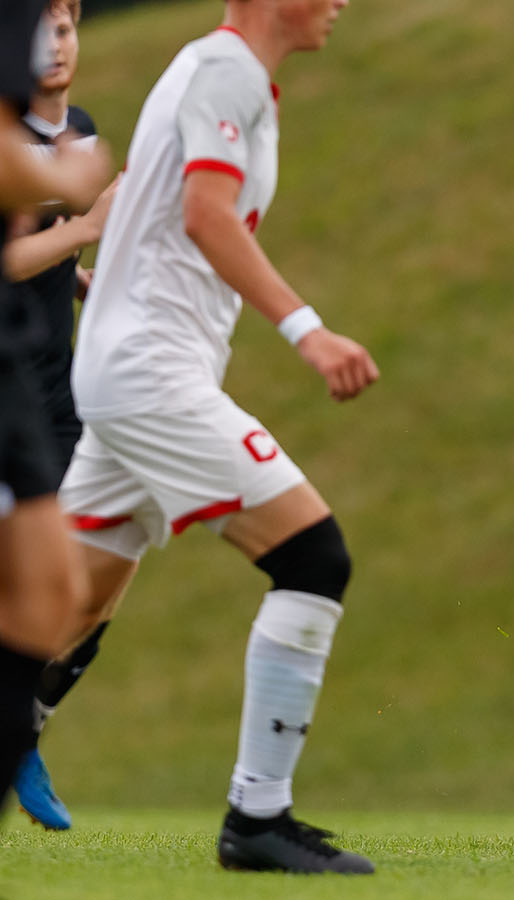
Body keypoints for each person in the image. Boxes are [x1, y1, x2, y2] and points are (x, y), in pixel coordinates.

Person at [55, 0, 379, 874]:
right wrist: (308, 330)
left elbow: (149, 216)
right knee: (314, 558)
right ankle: (256, 819)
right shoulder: (226, 69)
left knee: (66, 612)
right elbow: (206, 213)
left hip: (133, 373)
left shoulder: (219, 72)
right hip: (151, 378)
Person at [3, 0, 120, 832]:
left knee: (79, 587)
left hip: (62, 385)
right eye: (40, 31)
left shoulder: (76, 124)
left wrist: (86, 278)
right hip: (9, 386)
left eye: (69, 27)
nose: (58, 45)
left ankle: (23, 730)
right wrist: (83, 220)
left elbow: (47, 261)